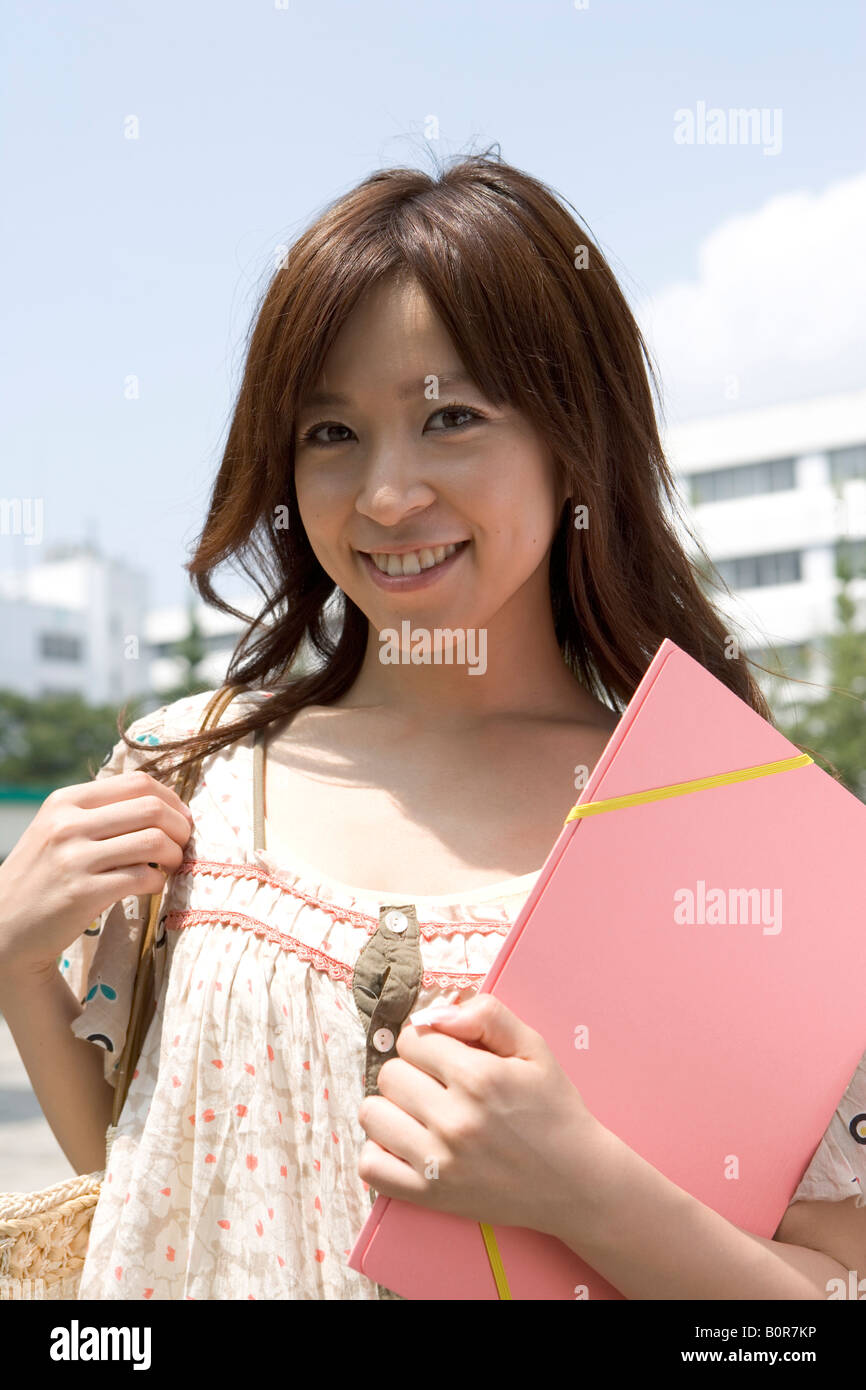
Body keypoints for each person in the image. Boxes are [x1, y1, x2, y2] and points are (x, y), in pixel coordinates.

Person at [1, 151, 863, 1301]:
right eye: (329, 433)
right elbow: (150, 1179)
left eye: (450, 416)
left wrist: (579, 1186)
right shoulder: (188, 771)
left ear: (573, 444)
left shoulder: (720, 829)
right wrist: (15, 959)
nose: (385, 495)